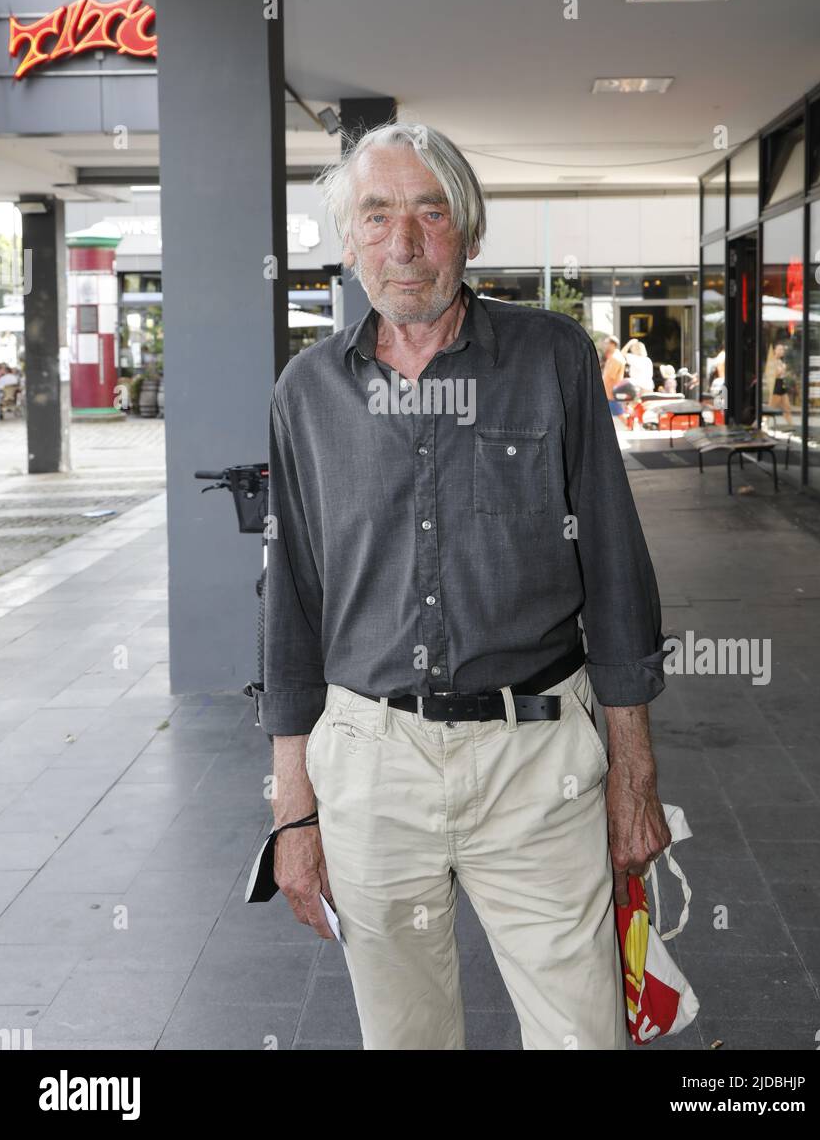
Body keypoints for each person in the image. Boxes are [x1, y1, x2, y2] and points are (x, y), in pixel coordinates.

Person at [256, 122, 670, 1051]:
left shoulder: (552, 358)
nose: (404, 243)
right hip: (369, 762)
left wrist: (634, 771)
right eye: (378, 215)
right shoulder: (308, 393)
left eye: (429, 212)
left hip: (539, 765)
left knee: (586, 1036)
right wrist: (294, 811)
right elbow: (291, 607)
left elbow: (614, 567)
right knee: (406, 1041)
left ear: (469, 231)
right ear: (350, 237)